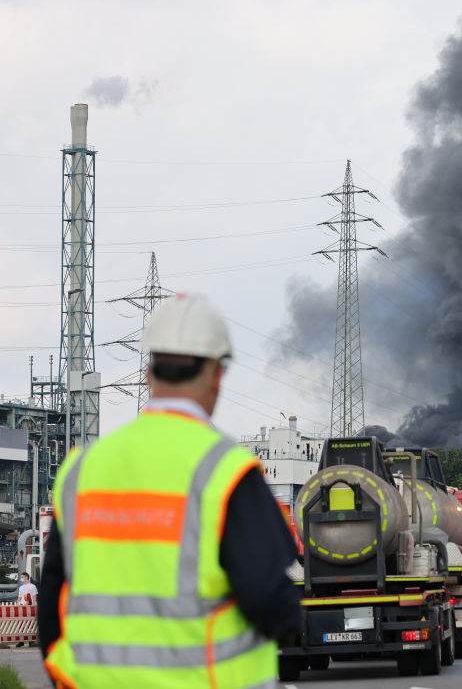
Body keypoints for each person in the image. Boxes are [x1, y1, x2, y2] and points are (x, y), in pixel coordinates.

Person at [39, 293, 301, 688]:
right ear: (216, 374)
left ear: (149, 371)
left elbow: (50, 610)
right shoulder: (226, 473)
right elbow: (273, 604)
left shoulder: (81, 471)